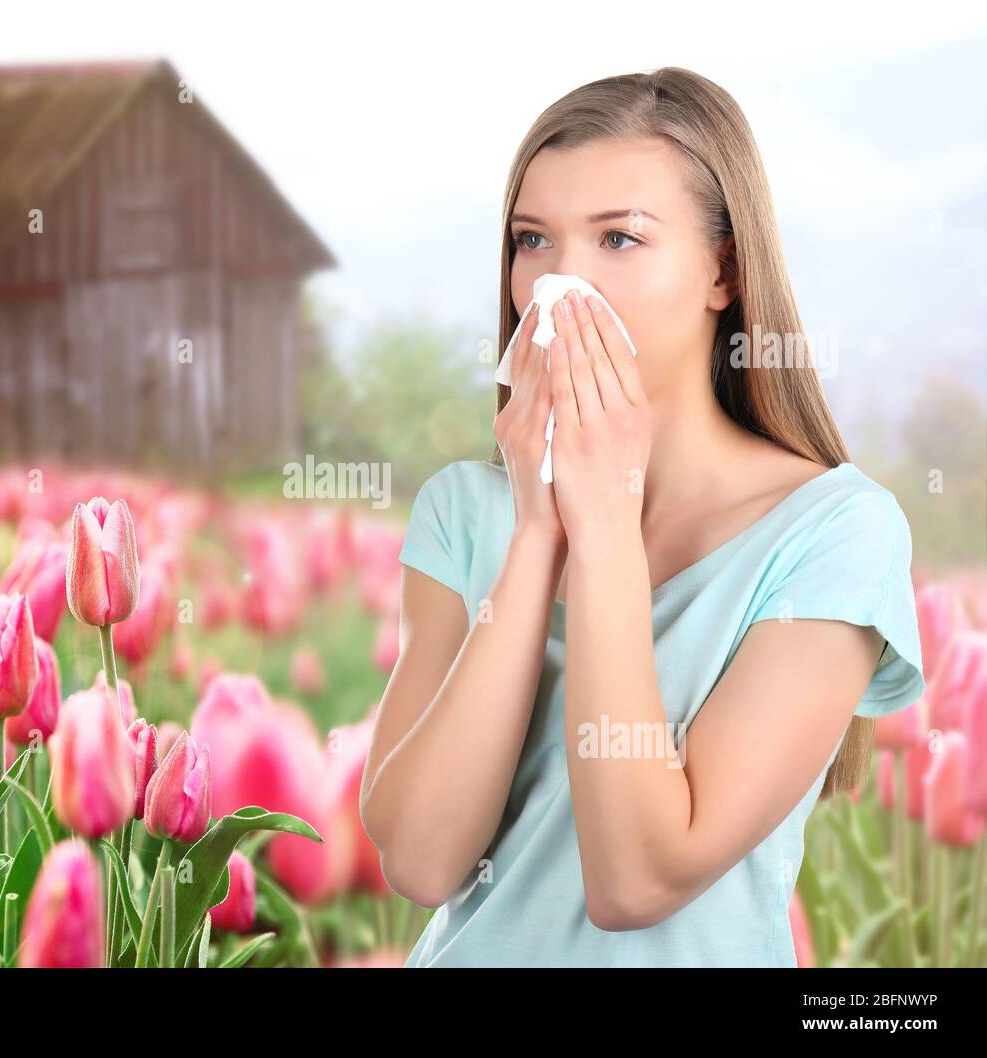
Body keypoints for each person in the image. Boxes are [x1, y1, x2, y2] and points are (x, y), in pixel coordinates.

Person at [360, 67, 925, 967]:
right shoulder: (466, 513)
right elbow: (424, 862)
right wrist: (542, 534)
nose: (560, 287)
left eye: (619, 238)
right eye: (534, 240)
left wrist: (608, 528)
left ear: (723, 271)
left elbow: (636, 882)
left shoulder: (836, 534)